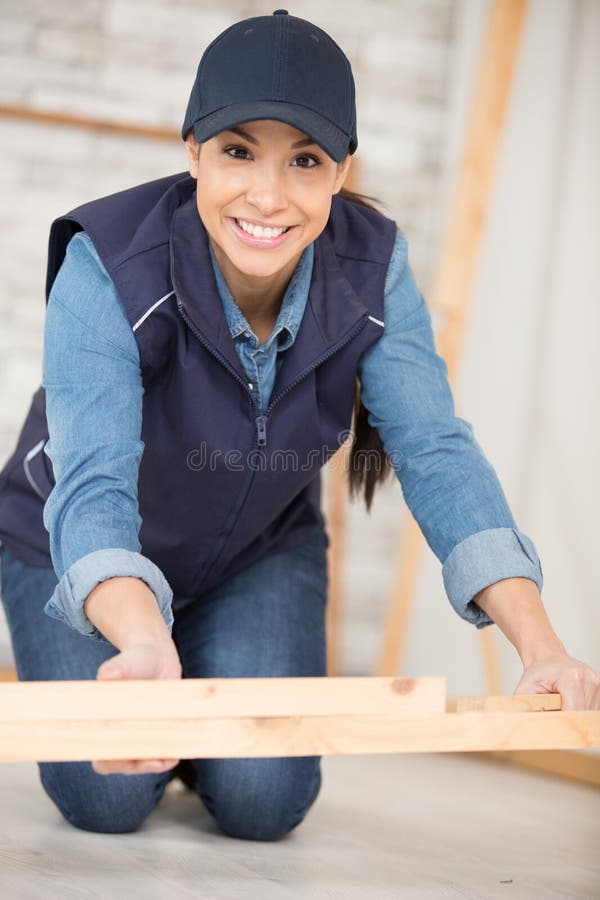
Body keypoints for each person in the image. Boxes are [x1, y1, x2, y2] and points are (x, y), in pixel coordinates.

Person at [0, 9, 597, 839]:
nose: (268, 196)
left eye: (305, 161)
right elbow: (94, 480)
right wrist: (140, 641)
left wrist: (542, 646)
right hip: (70, 545)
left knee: (264, 803)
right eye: (238, 151)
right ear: (193, 151)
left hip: (257, 554)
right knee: (107, 799)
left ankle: (205, 713)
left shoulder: (375, 272)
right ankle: (170, 681)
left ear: (342, 171)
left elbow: (434, 450)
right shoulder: (107, 264)